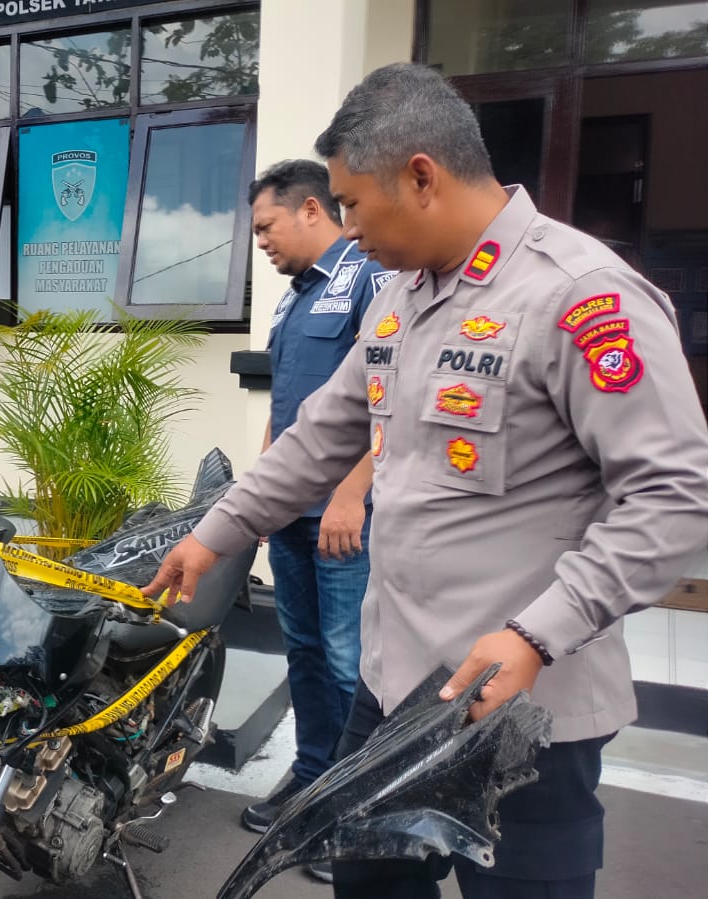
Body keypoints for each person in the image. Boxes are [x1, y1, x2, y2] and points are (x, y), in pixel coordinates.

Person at [144, 63, 708, 899]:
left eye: (351, 203)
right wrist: (211, 534)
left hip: (523, 708)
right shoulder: (399, 296)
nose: (343, 225)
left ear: (420, 177)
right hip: (392, 683)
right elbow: (317, 440)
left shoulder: (580, 296)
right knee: (367, 886)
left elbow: (673, 495)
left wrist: (536, 633)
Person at [243, 159, 389, 843]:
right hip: (293, 509)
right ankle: (309, 778)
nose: (261, 240)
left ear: (309, 209)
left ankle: (353, 808)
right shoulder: (293, 295)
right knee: (301, 649)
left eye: (266, 225)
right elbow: (285, 401)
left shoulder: (367, 277)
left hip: (342, 515)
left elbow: (391, 397)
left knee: (344, 657)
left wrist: (351, 493)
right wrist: (265, 490)